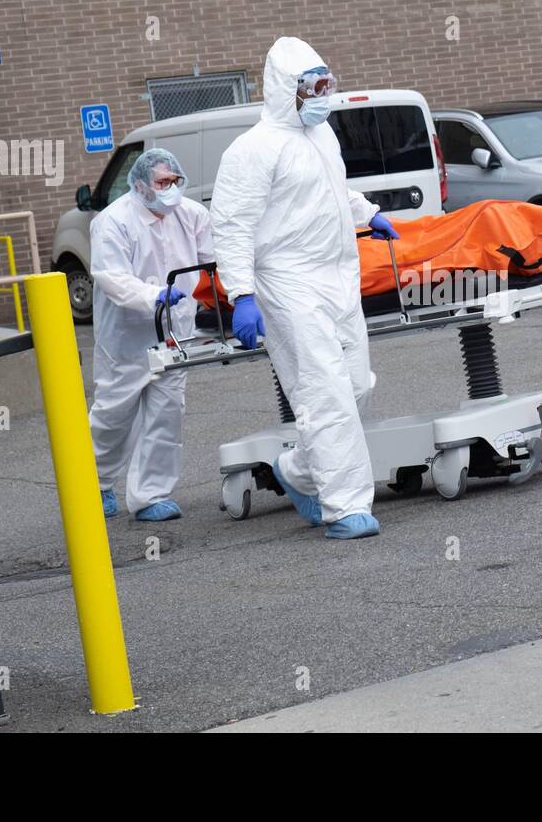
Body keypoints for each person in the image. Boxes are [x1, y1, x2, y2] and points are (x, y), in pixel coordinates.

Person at [210, 37, 399, 540]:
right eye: (313, 86)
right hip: (287, 281)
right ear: (285, 89)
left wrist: (368, 213)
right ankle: (345, 507)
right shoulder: (251, 150)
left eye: (327, 83)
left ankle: (296, 471)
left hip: (338, 275)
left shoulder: (323, 137)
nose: (323, 94)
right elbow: (231, 226)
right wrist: (241, 294)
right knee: (325, 392)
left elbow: (334, 189)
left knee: (358, 384)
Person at [88, 148, 213, 522]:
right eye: (162, 182)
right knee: (114, 413)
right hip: (127, 335)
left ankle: (150, 495)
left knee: (167, 412)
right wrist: (152, 295)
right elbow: (111, 277)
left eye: (175, 181)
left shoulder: (191, 215)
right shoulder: (113, 221)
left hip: (177, 331)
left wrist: (229, 300)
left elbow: (211, 263)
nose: (170, 189)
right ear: (140, 184)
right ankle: (94, 483)